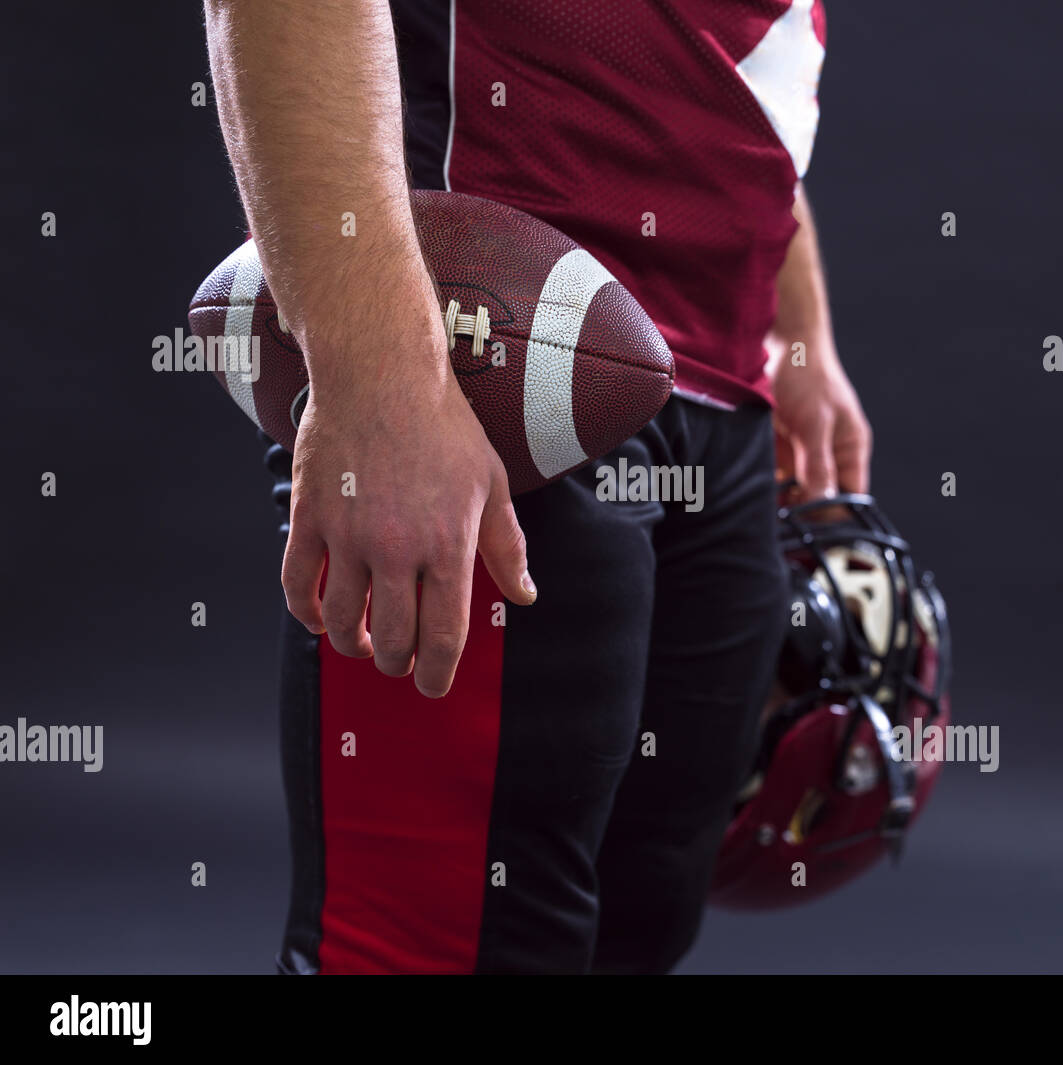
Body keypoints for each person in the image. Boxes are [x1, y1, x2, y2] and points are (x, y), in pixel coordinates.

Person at [204, 0, 871, 974]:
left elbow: (732, 46)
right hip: (494, 350)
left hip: (720, 387)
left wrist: (789, 323)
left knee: (633, 928)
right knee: (433, 950)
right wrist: (378, 377)